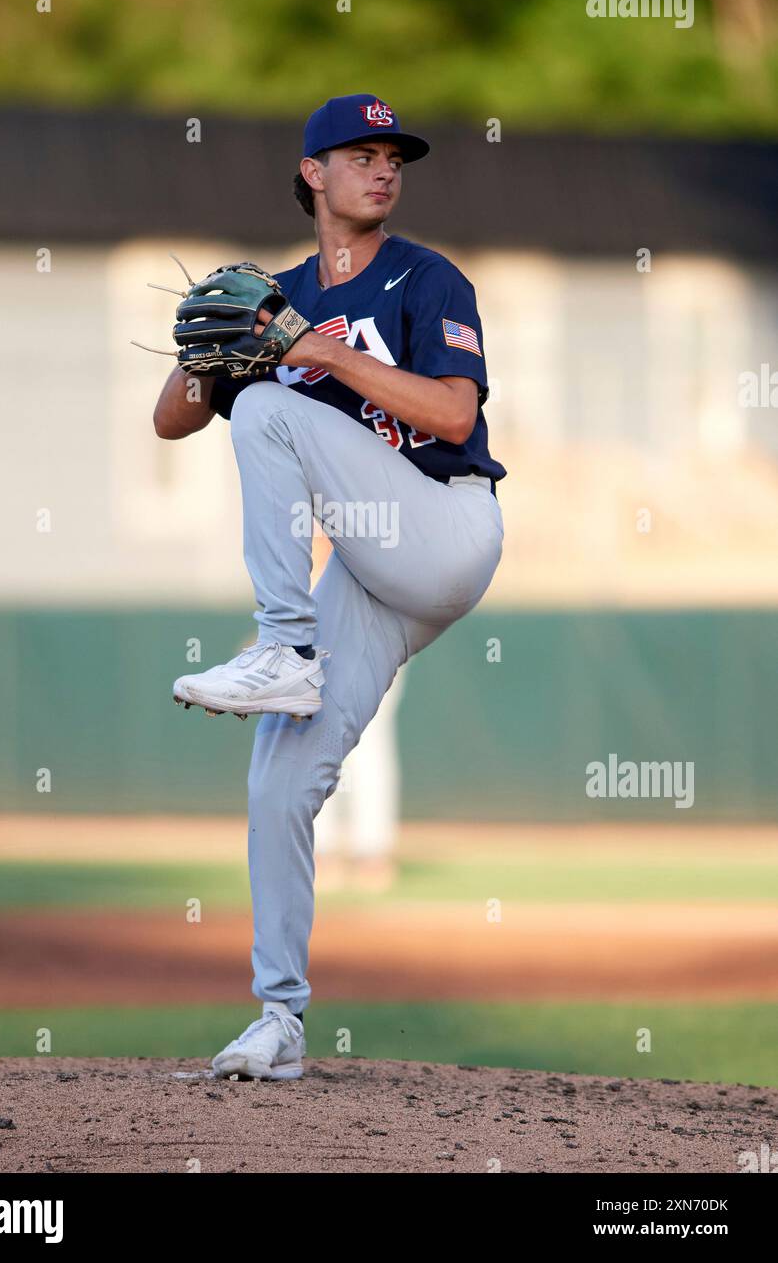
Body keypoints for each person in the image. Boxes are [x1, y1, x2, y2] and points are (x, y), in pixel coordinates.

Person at [152, 93, 507, 1080]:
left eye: (393, 155)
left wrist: (308, 349)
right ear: (312, 172)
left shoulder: (426, 278)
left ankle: (280, 641)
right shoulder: (275, 293)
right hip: (365, 567)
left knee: (268, 405)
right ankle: (277, 1021)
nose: (383, 168)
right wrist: (203, 350)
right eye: (359, 153)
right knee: (278, 778)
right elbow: (170, 422)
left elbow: (447, 414)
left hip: (442, 527)